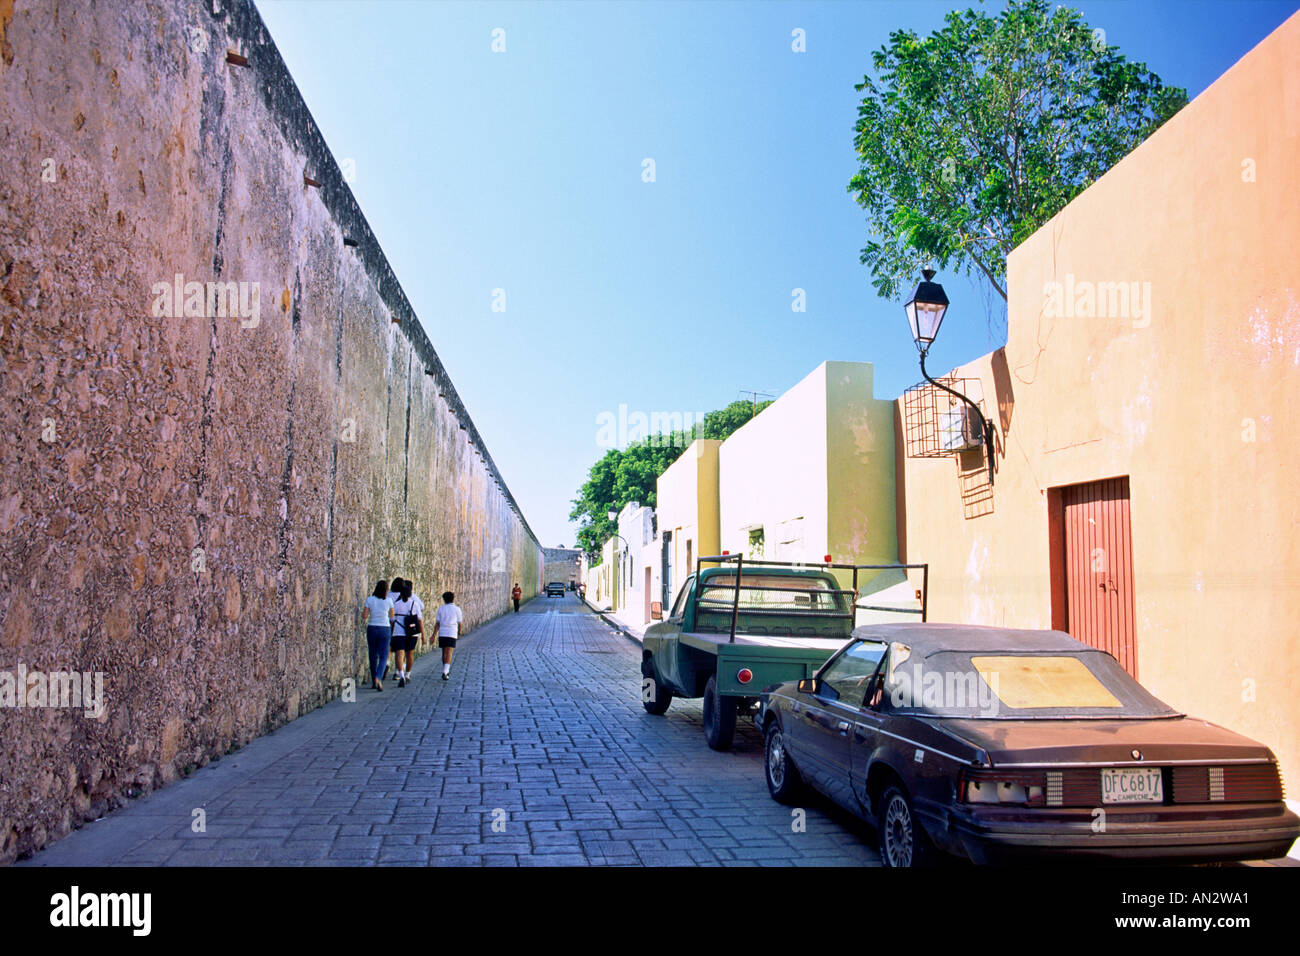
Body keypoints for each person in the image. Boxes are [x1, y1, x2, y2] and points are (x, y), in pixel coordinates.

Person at [361, 579, 395, 691]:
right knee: (384, 655)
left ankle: (373, 680)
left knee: (372, 655)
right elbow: (392, 616)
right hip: (384, 628)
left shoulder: (370, 600)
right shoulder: (389, 601)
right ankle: (378, 677)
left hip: (372, 627)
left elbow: (364, 616)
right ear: (386, 590)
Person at [391, 579, 424, 687]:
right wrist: (423, 635)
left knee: (399, 654)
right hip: (412, 633)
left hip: (398, 632)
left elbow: (392, 619)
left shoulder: (396, 604)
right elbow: (419, 620)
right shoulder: (415, 604)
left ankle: (400, 675)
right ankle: (407, 674)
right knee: (410, 654)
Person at [434, 591, 463, 681]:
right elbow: (459, 622)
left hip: (442, 632)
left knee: (444, 652)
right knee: (449, 652)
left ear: (444, 599)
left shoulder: (441, 609)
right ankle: (446, 671)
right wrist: (459, 631)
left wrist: (434, 634)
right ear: (453, 599)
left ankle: (445, 669)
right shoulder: (457, 609)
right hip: (452, 632)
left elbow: (437, 623)